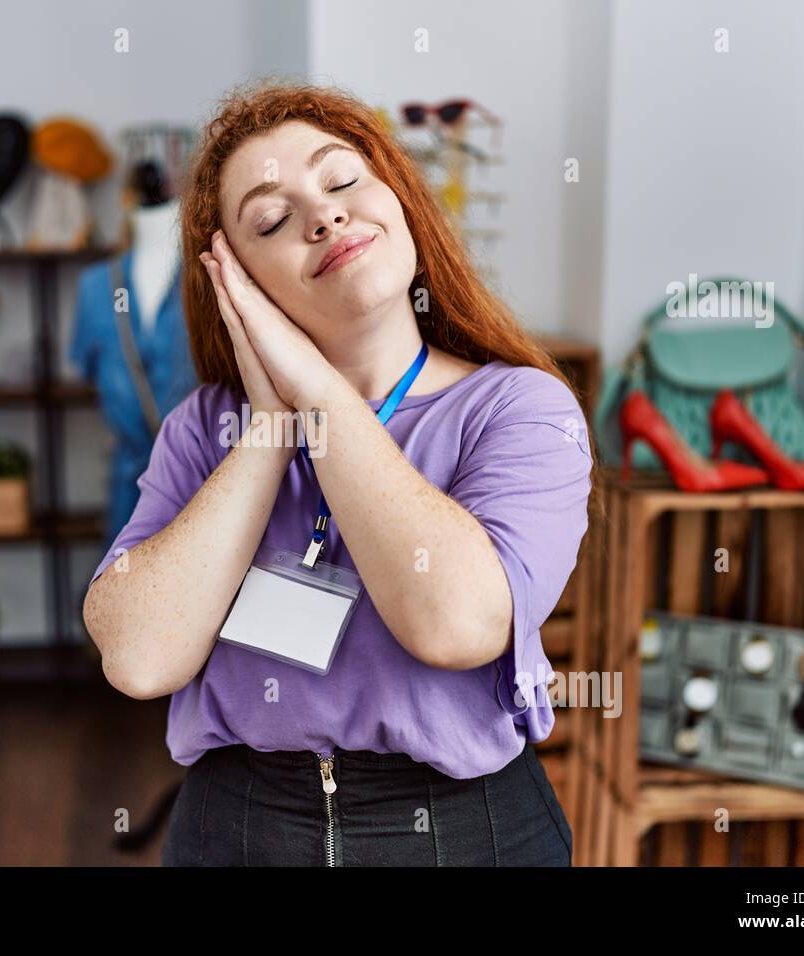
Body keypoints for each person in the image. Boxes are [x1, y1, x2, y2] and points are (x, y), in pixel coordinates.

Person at [82, 81, 596, 866]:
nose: (323, 215)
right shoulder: (206, 429)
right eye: (272, 219)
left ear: (400, 201)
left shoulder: (522, 407)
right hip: (239, 827)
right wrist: (270, 431)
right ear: (236, 285)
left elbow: (455, 625)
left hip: (464, 833)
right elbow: (140, 656)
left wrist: (317, 393)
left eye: (343, 180)